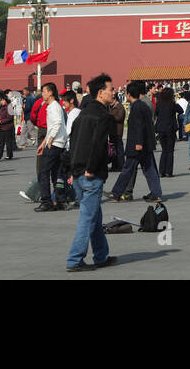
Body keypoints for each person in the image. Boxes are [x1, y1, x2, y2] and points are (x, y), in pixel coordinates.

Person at [65, 74, 118, 272]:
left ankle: (101, 255)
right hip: (90, 174)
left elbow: (73, 142)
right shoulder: (102, 116)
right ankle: (75, 259)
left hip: (78, 173)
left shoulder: (82, 115)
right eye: (111, 89)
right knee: (87, 219)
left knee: (94, 216)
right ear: (100, 92)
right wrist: (91, 169)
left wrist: (71, 169)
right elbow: (98, 146)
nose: (113, 92)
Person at [110, 81, 163, 203]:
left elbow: (138, 126)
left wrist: (138, 143)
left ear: (128, 94)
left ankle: (116, 193)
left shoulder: (136, 107)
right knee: (149, 170)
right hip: (146, 144)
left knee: (128, 169)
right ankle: (156, 193)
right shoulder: (143, 105)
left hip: (137, 145)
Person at [35, 83, 68, 211]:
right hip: (58, 144)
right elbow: (51, 127)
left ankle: (46, 201)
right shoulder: (55, 106)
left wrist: (51, 139)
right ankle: (60, 200)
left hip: (54, 144)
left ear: (50, 93)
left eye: (43, 91)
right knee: (56, 173)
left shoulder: (53, 106)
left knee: (43, 172)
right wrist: (43, 143)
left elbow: (57, 123)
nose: (42, 94)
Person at [154, 87, 178, 178]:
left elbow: (156, 113)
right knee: (170, 151)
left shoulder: (159, 103)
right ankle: (169, 172)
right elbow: (181, 110)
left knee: (164, 150)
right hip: (170, 129)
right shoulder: (172, 104)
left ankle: (161, 171)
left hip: (161, 129)